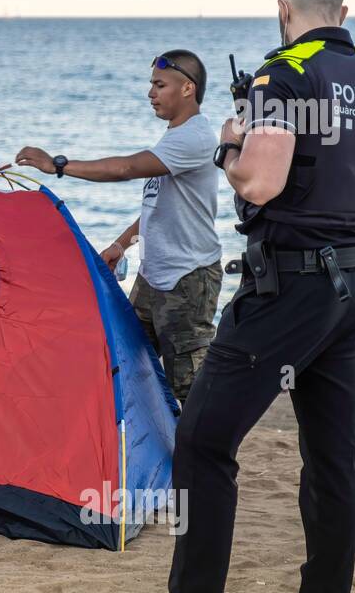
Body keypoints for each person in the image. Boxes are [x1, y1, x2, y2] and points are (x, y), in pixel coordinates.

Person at [97, 0, 355, 593]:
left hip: (289, 291)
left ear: (284, 7)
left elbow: (262, 179)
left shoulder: (283, 72)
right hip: (352, 286)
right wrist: (338, 189)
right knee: (333, 460)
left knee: (203, 445)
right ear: (341, 8)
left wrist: (228, 142)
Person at [14, 50, 222, 406]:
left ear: (188, 88)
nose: (150, 93)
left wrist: (58, 165)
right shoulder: (174, 138)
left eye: (159, 85)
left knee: (190, 388)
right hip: (153, 278)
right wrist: (122, 244)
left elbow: (124, 168)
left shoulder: (195, 138)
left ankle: (203, 460)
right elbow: (160, 208)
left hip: (187, 282)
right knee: (126, 365)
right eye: (150, 84)